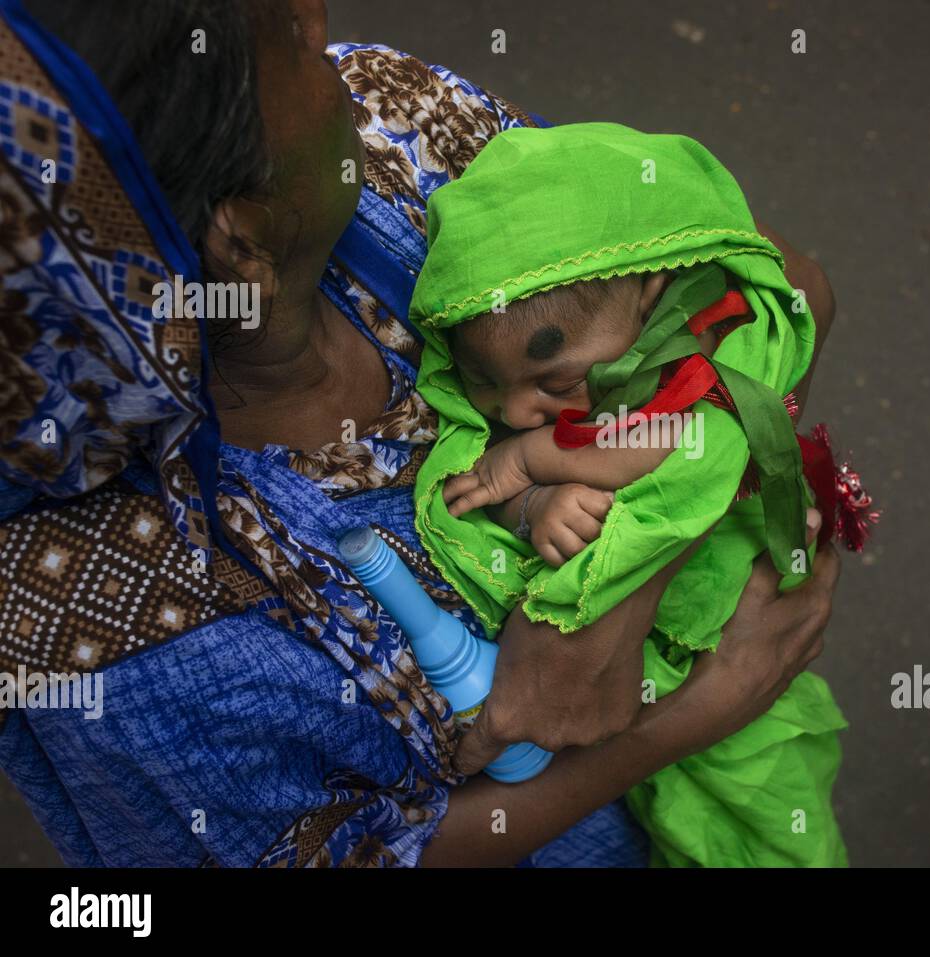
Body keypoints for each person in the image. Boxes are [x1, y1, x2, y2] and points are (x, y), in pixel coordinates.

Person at [0, 0, 840, 867]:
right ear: (242, 240)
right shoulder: (97, 615)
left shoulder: (390, 121)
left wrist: (610, 606)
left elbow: (781, 288)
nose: (314, 16)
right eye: (283, 39)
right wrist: (699, 708)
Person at [406, 123, 872, 865]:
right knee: (683, 819)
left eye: (554, 383)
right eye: (485, 384)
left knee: (765, 834)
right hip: (649, 693)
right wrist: (530, 508)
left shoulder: (704, 342)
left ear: (653, 297)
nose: (516, 411)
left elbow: (677, 448)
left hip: (727, 638)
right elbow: (475, 485)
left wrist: (528, 462)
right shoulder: (551, 375)